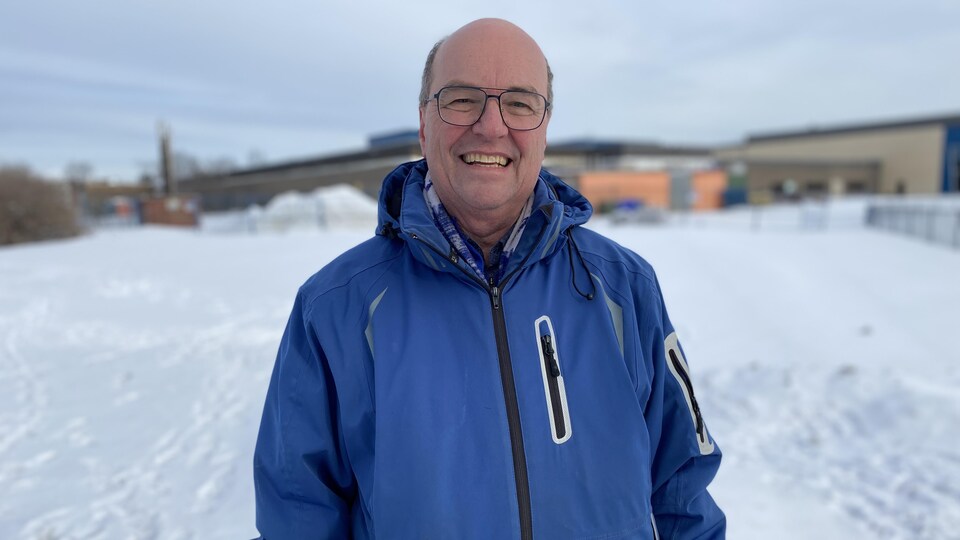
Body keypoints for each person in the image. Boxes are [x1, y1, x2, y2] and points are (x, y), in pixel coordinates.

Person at [253, 18, 725, 540]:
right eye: (461, 99)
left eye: (520, 103)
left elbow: (683, 490)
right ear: (423, 122)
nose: (491, 126)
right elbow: (296, 516)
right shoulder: (335, 308)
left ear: (544, 127)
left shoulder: (624, 287)